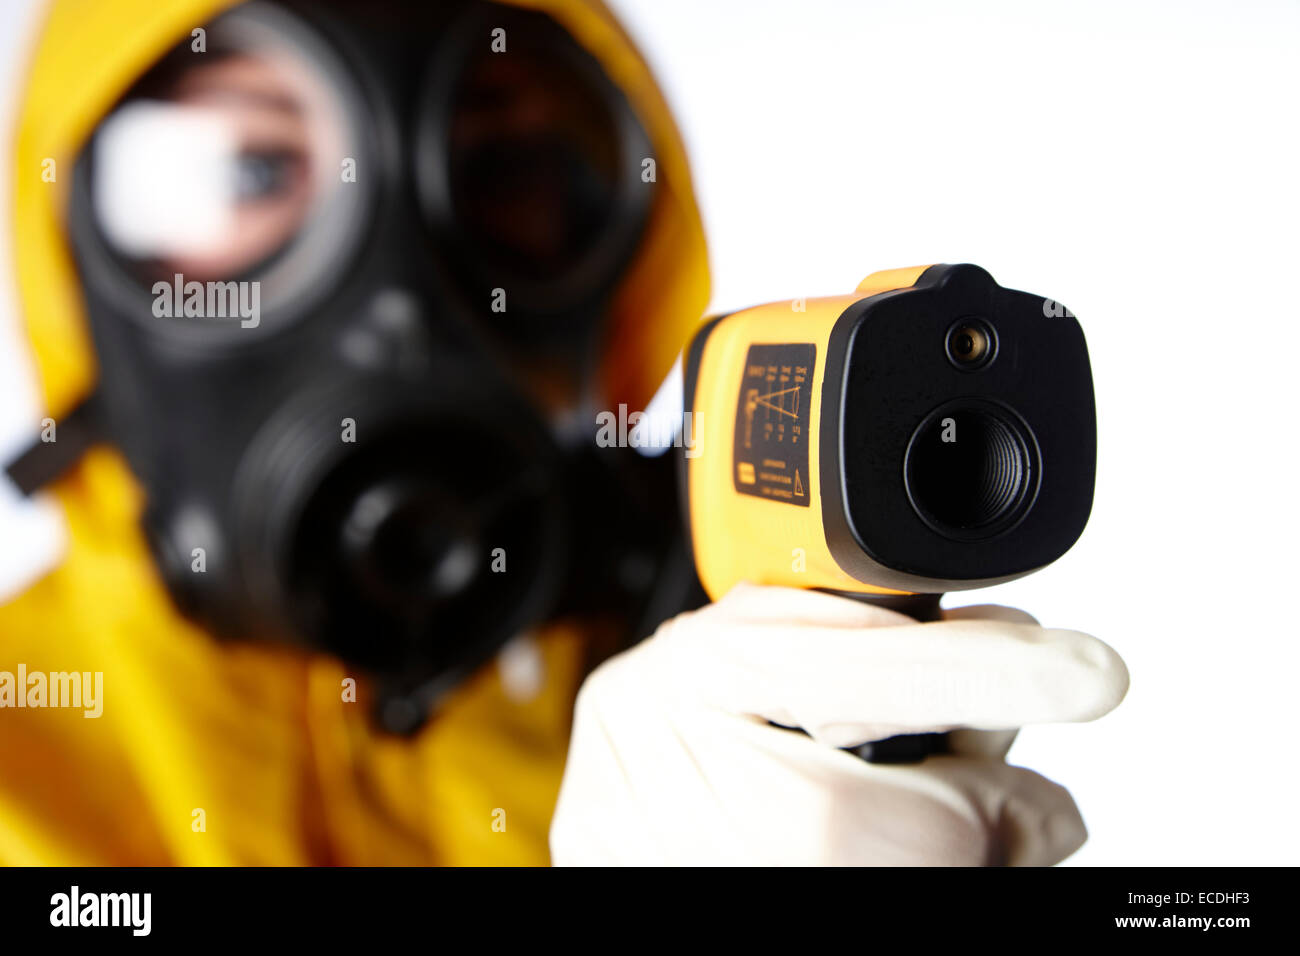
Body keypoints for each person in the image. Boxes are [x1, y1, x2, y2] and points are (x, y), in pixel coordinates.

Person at [0, 0, 1126, 866]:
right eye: (254, 168)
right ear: (74, 278)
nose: (397, 304)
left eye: (513, 167)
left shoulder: (754, 727)